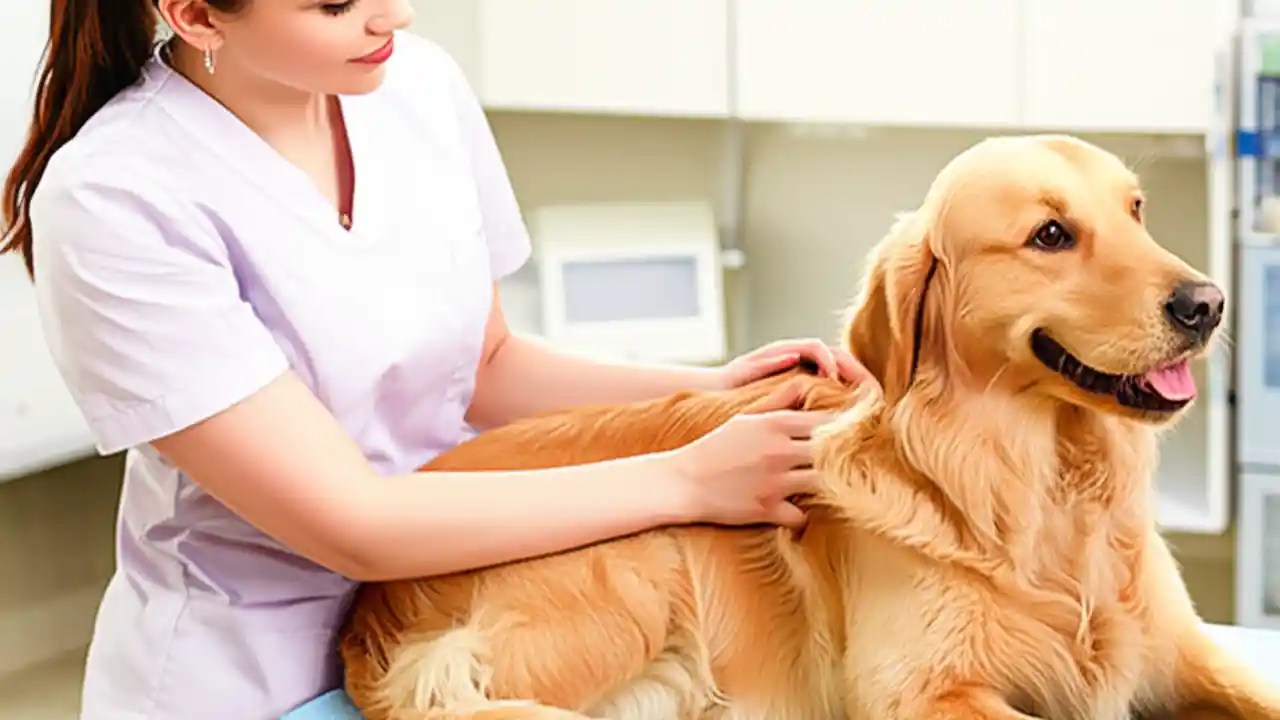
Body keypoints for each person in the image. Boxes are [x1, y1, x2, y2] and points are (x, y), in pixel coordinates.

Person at [0, 1, 874, 718]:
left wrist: (710, 392)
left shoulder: (414, 86)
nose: (397, 15)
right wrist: (685, 476)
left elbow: (485, 366)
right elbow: (355, 524)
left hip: (465, 611)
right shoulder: (116, 195)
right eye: (335, 5)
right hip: (253, 674)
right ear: (197, 17)